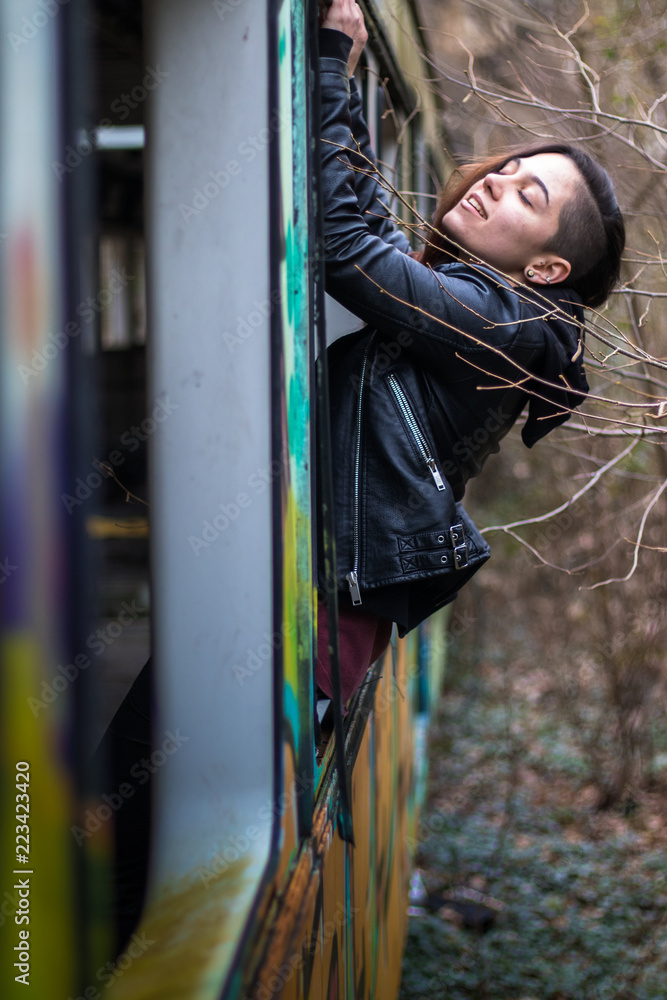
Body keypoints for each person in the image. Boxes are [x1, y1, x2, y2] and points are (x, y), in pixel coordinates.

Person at [314, 0, 625, 705]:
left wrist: (331, 69)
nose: (495, 180)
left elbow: (346, 251)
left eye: (527, 195)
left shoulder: (506, 327)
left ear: (546, 269)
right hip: (314, 606)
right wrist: (348, 79)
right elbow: (374, 233)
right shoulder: (487, 310)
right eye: (508, 168)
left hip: (313, 628)